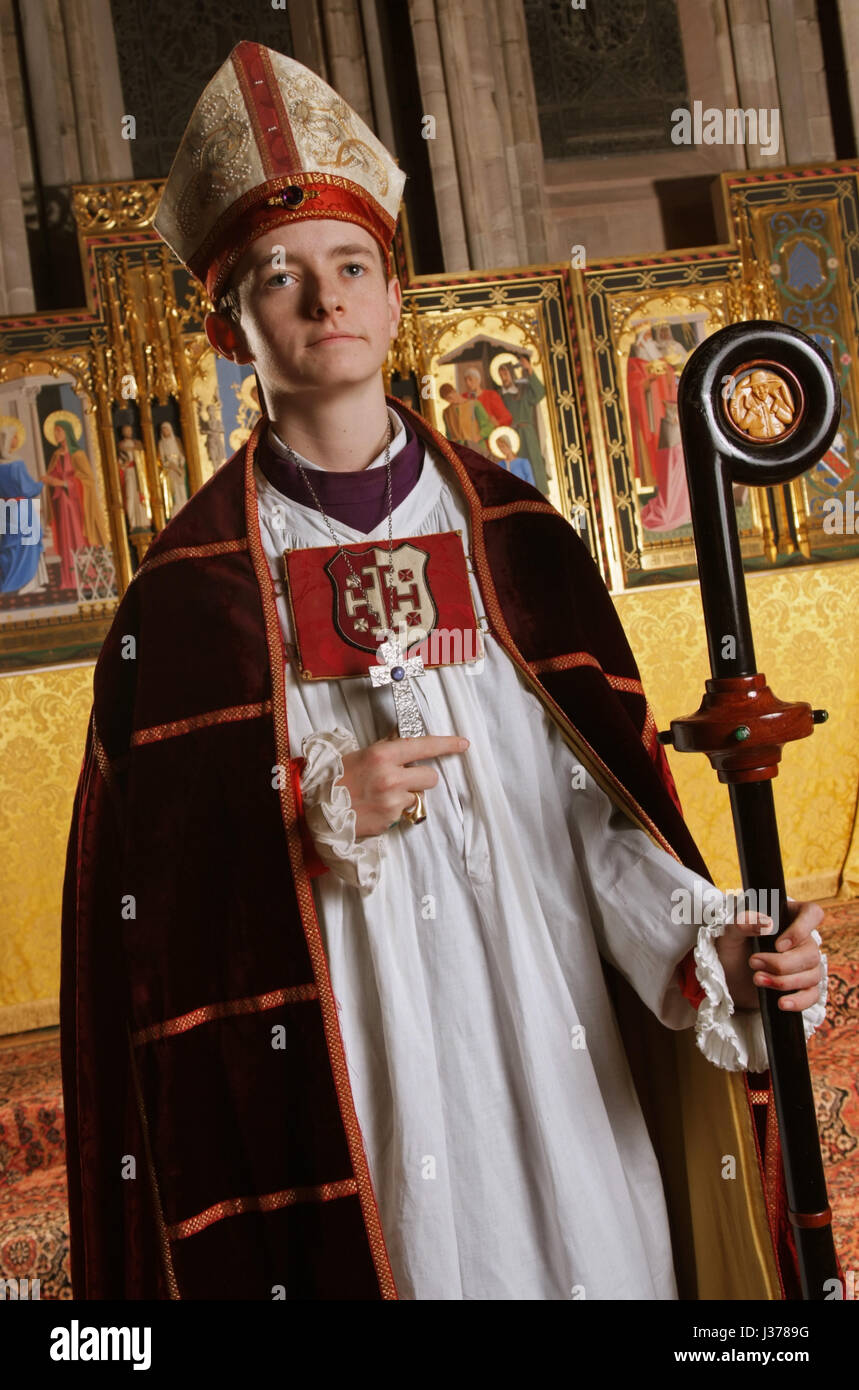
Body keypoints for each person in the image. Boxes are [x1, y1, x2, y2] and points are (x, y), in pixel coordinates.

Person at [60, 40, 828, 1301]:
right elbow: (143, 927)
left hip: (555, 1038)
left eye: (351, 265)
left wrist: (712, 950)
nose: (325, 300)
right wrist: (306, 811)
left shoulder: (520, 541)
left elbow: (593, 825)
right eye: (280, 276)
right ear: (227, 322)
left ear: (397, 292)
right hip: (360, 1064)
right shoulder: (187, 596)